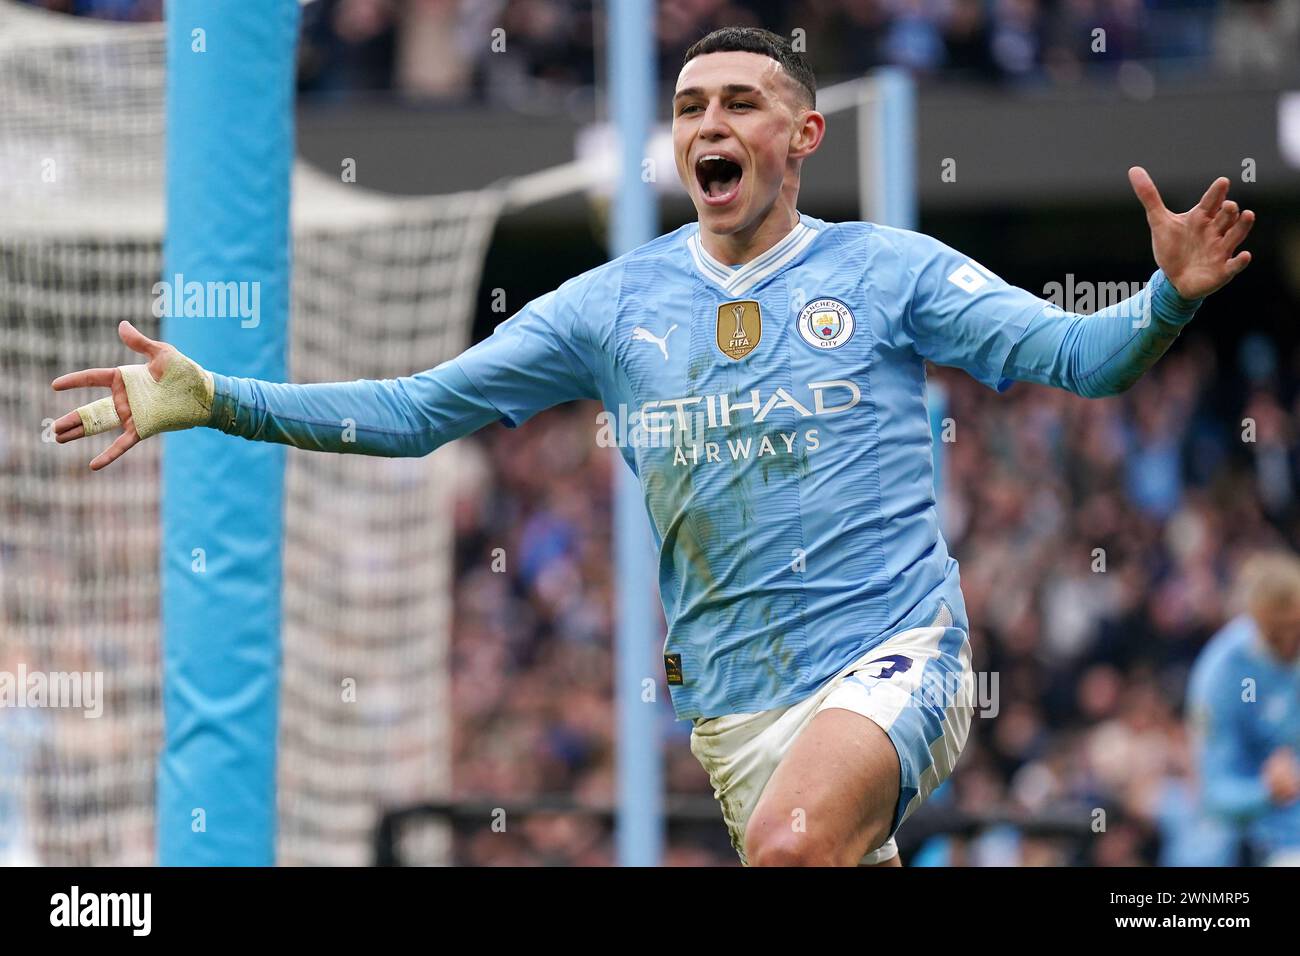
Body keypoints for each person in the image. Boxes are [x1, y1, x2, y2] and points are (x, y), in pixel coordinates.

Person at [51, 27, 1254, 866]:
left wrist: (1164, 300)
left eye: (739, 104)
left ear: (803, 136)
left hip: (898, 647)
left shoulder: (886, 272)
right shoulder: (608, 306)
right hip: (735, 709)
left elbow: (1080, 361)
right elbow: (421, 408)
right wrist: (220, 396)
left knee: (791, 846)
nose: (709, 124)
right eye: (688, 109)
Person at [1187, 552, 1300, 866]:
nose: (1294, 640)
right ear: (1259, 622)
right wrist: (1267, 791)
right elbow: (1213, 794)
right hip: (1271, 840)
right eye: (1284, 629)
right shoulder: (1222, 677)